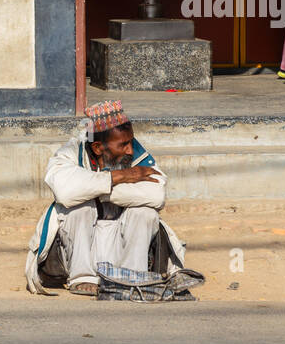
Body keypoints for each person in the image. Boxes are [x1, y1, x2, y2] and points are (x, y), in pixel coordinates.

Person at [25, 100, 188, 296]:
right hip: (78, 252)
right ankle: (83, 278)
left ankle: (131, 278)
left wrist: (96, 190)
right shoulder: (68, 154)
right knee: (79, 207)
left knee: (145, 212)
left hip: (124, 250)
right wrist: (117, 178)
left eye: (130, 141)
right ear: (97, 148)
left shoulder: (136, 153)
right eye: (123, 144)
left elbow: (156, 195)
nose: (130, 149)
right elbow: (65, 193)